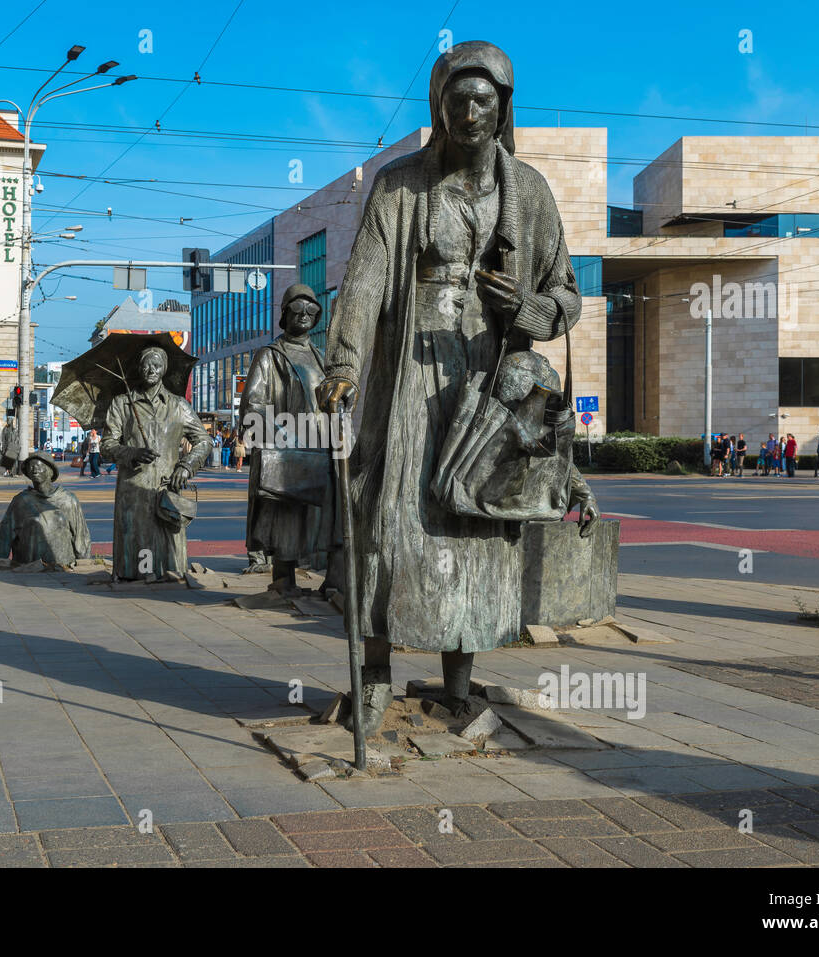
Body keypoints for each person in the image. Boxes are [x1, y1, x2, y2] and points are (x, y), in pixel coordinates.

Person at [315, 41, 598, 729]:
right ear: (438, 106)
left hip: (489, 378)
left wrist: (528, 309)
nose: (470, 112)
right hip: (409, 377)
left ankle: (460, 685)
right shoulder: (399, 184)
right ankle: (374, 676)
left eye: (484, 100)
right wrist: (344, 365)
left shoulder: (529, 191)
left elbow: (567, 294)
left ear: (504, 109)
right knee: (390, 521)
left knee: (475, 521)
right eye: (457, 99)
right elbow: (364, 282)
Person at [240, 283, 339, 595]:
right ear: (285, 314)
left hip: (320, 447)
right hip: (287, 451)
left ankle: (331, 581)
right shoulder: (270, 356)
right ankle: (284, 580)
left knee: (325, 516)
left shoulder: (321, 357)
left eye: (311, 308)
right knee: (287, 517)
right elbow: (252, 406)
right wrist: (285, 435)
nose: (304, 313)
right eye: (297, 307)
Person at [100, 345, 211, 580]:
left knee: (168, 543)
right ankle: (137, 576)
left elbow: (203, 441)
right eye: (146, 365)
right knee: (136, 541)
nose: (151, 370)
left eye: (157, 365)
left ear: (164, 369)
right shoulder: (122, 403)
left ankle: (165, 576)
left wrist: (186, 466)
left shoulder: (179, 405)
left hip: (166, 487)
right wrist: (130, 452)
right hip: (133, 488)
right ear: (139, 368)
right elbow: (107, 445)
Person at [0, 453, 92, 567]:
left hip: (63, 567)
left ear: (50, 471)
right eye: (31, 467)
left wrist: (84, 564)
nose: (34, 470)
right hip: (29, 569)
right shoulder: (22, 501)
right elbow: (4, 535)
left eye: (39, 466)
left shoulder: (68, 500)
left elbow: (81, 536)